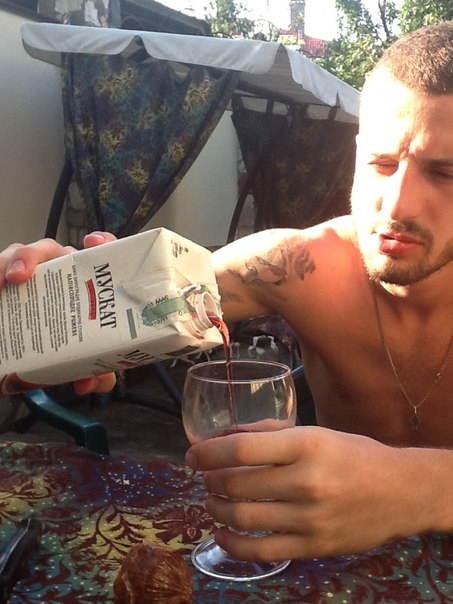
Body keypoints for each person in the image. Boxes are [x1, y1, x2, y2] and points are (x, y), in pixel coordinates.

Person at [2, 22, 453, 563]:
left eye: (445, 172)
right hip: (335, 569)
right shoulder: (299, 266)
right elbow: (148, 299)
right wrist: (53, 305)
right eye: (382, 163)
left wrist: (416, 487)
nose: (398, 205)